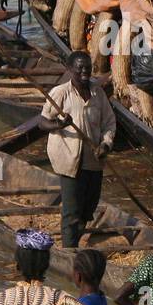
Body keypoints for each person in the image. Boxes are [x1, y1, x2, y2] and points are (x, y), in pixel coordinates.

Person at [38, 50, 115, 249]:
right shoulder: (61, 93)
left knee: (89, 208)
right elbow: (42, 123)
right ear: (70, 69)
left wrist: (106, 144)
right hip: (69, 161)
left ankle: (75, 238)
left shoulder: (97, 92)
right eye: (79, 67)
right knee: (71, 212)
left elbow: (109, 122)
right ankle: (69, 251)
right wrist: (59, 125)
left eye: (87, 67)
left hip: (93, 159)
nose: (84, 71)